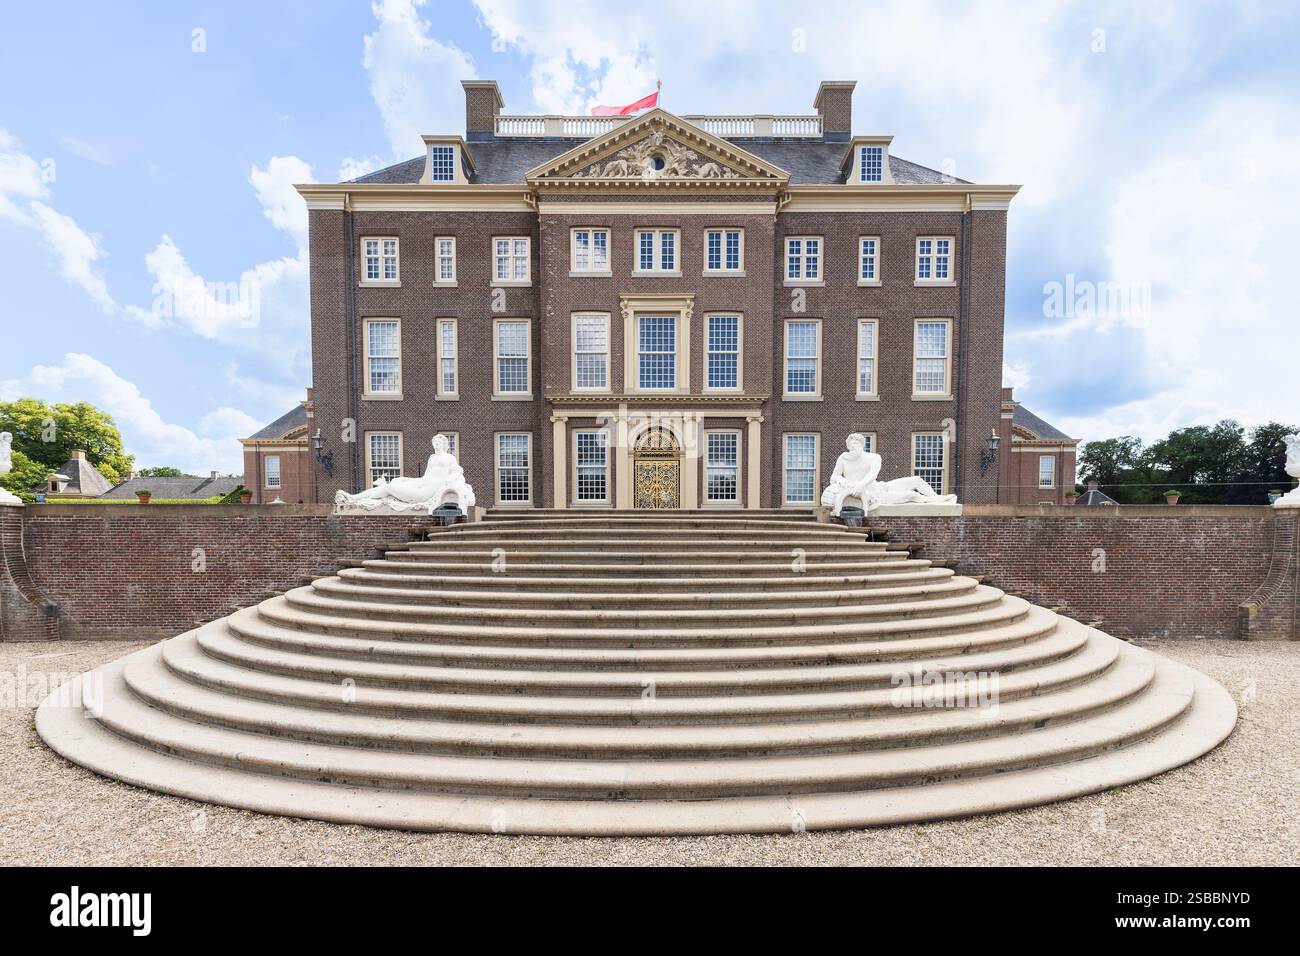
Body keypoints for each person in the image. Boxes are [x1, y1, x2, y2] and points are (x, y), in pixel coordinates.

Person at [821, 433, 957, 516]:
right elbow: (834, 477)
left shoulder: (873, 457)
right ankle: (934, 501)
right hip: (874, 497)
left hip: (880, 487)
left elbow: (872, 475)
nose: (853, 447)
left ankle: (937, 500)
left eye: (856, 444)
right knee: (911, 495)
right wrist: (845, 483)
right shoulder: (844, 458)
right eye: (851, 444)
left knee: (917, 480)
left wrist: (861, 484)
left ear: (862, 445)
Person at [335, 434, 475, 512]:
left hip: (426, 492)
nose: (435, 446)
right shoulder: (431, 458)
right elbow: (426, 475)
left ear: (443, 444)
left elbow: (458, 473)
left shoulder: (449, 458)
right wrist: (411, 480)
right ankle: (355, 498)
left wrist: (450, 484)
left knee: (389, 488)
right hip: (421, 484)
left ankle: (354, 498)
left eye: (437, 443)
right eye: (434, 444)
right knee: (397, 481)